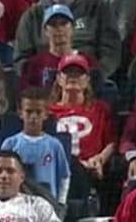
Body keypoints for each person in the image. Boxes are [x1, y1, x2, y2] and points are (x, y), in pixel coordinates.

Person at [14, 0, 124, 77]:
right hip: (45, 84)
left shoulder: (99, 9)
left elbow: (111, 53)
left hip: (90, 82)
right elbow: (21, 59)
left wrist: (92, 78)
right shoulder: (32, 16)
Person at [49, 54, 116, 182]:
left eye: (78, 73)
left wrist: (100, 159)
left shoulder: (100, 109)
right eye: (68, 72)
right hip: (55, 170)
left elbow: (111, 142)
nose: (73, 77)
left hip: (89, 171)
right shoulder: (48, 112)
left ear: (87, 80)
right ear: (58, 79)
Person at [0, 87, 71, 204]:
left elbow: (64, 176)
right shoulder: (10, 144)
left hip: (47, 202)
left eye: (38, 112)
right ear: (20, 113)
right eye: (29, 112)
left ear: (46, 114)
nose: (33, 117)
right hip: (17, 202)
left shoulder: (55, 145)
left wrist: (61, 202)